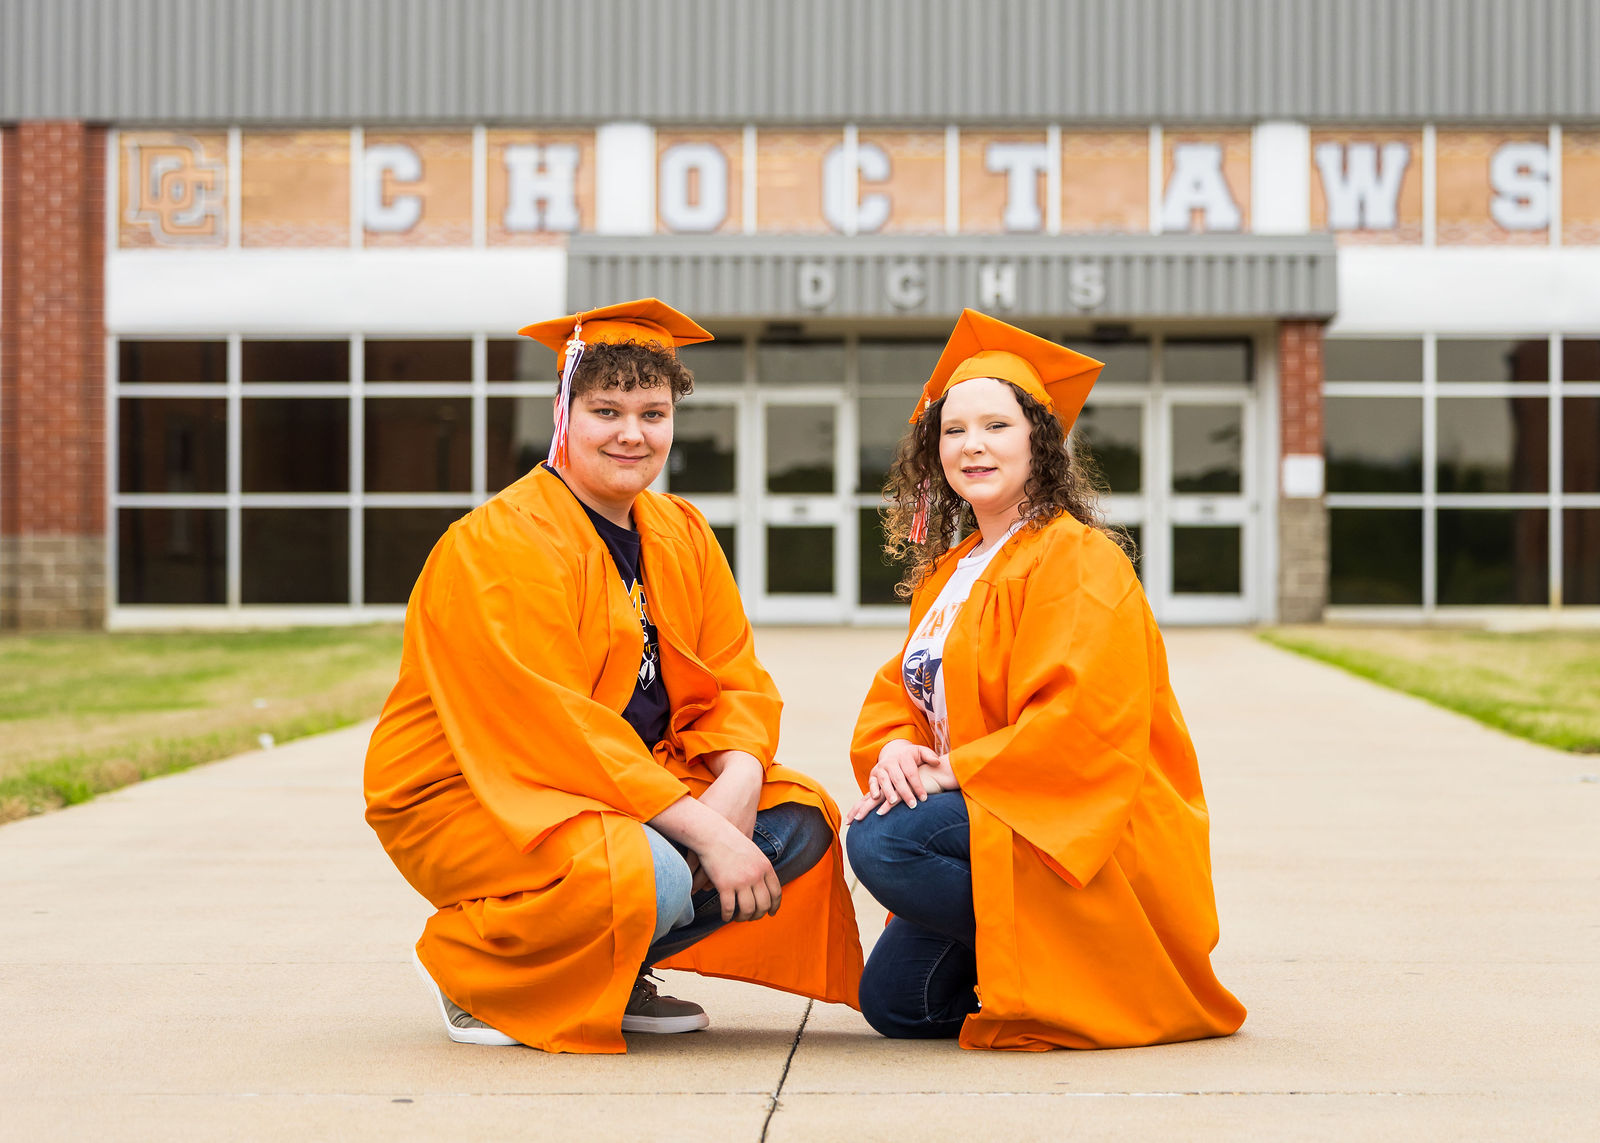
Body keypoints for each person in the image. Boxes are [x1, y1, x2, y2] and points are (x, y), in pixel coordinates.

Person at [364, 298, 862, 1053]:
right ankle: (473, 968)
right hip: (481, 789)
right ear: (564, 413)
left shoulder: (681, 532)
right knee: (656, 870)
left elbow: (738, 677)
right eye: (607, 410)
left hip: (624, 787)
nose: (633, 433)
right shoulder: (501, 543)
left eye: (653, 412)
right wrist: (704, 832)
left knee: (796, 820)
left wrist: (738, 778)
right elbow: (551, 727)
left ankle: (611, 968)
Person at [845, 309, 1246, 1049]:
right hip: (996, 813)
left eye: (996, 425)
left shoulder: (1078, 560)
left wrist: (948, 773)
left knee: (885, 841)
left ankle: (1100, 961)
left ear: (1041, 439)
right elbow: (904, 691)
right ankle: (1031, 964)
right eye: (954, 429)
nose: (973, 445)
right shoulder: (949, 575)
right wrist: (899, 748)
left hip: (1074, 824)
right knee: (896, 1004)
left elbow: (1083, 722)